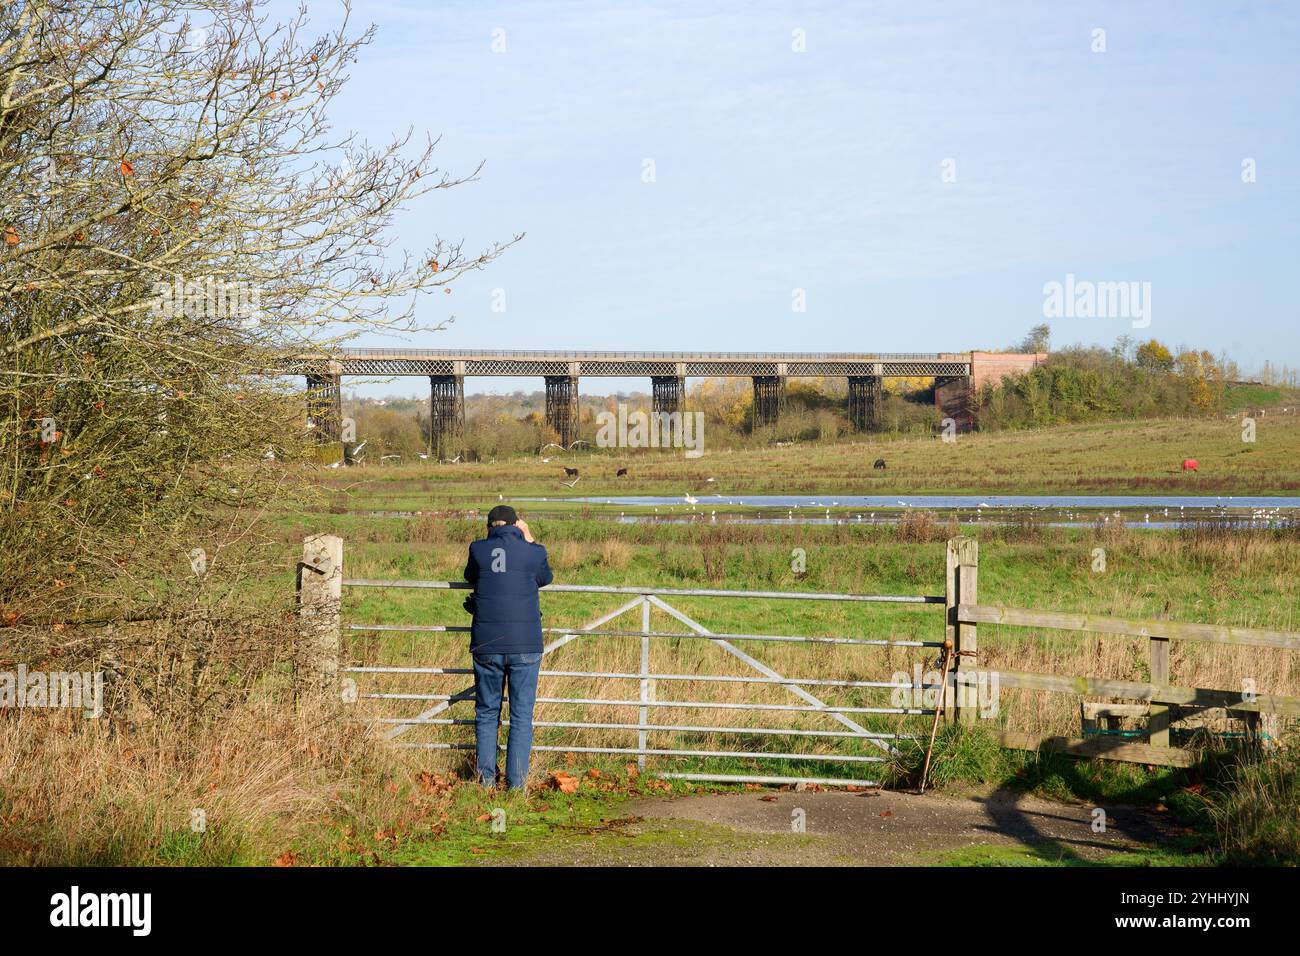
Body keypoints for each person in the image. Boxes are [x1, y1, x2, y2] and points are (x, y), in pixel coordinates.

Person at [463, 504, 553, 789]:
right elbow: (545, 578)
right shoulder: (534, 551)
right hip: (525, 644)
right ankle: (516, 785)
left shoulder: (477, 549)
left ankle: (485, 781)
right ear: (517, 524)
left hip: (487, 644)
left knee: (487, 713)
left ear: (489, 526)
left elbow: (470, 576)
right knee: (521, 717)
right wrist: (528, 536)